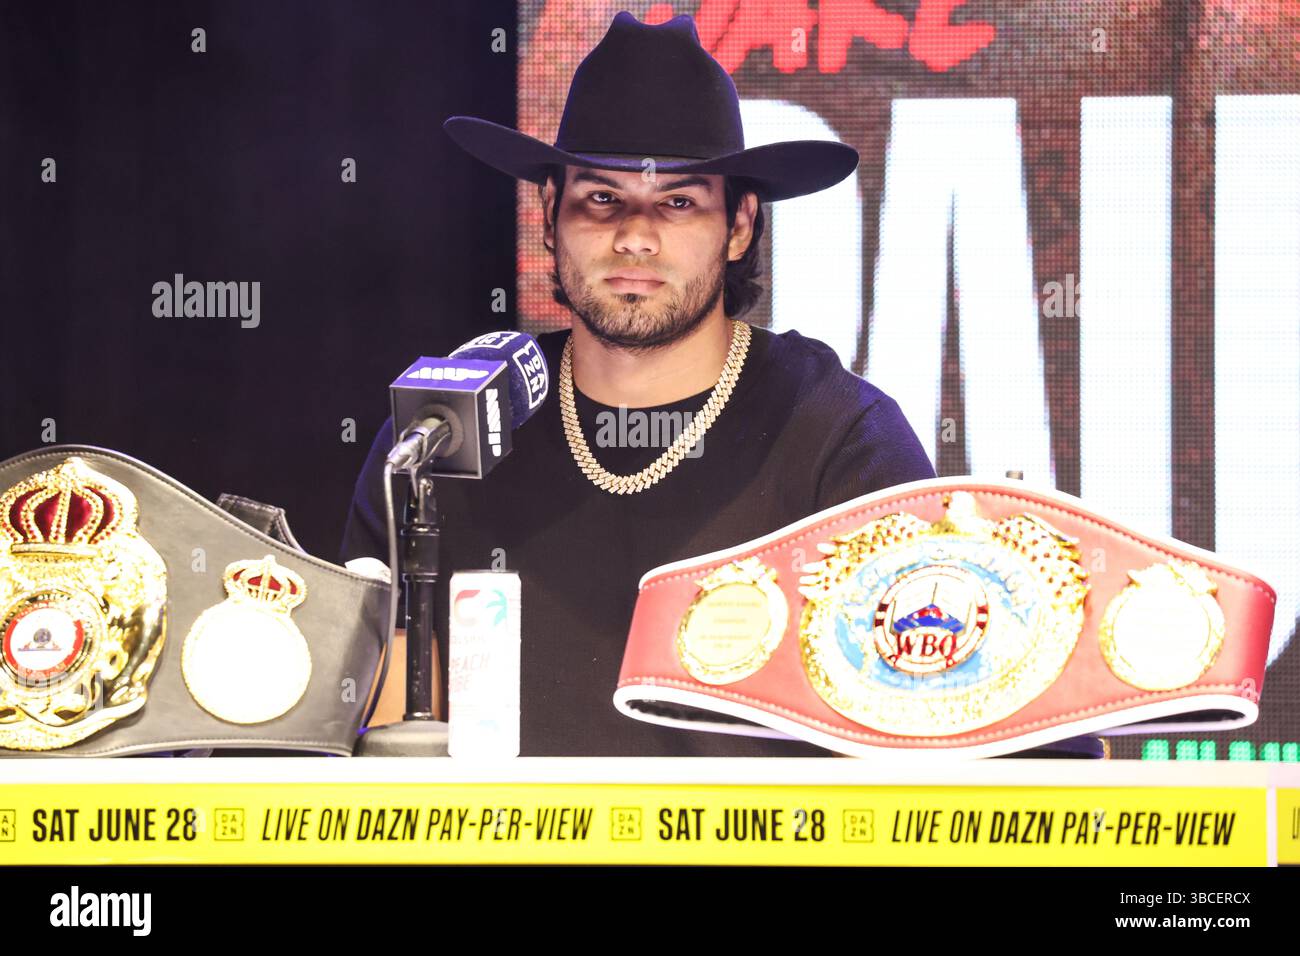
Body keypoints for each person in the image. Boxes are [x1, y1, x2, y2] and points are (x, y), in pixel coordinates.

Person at [341, 11, 939, 756]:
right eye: (601, 199)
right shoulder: (446, 428)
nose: (636, 235)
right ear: (550, 214)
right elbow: (380, 746)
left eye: (679, 202)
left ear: (741, 225)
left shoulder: (834, 435)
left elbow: (929, 714)